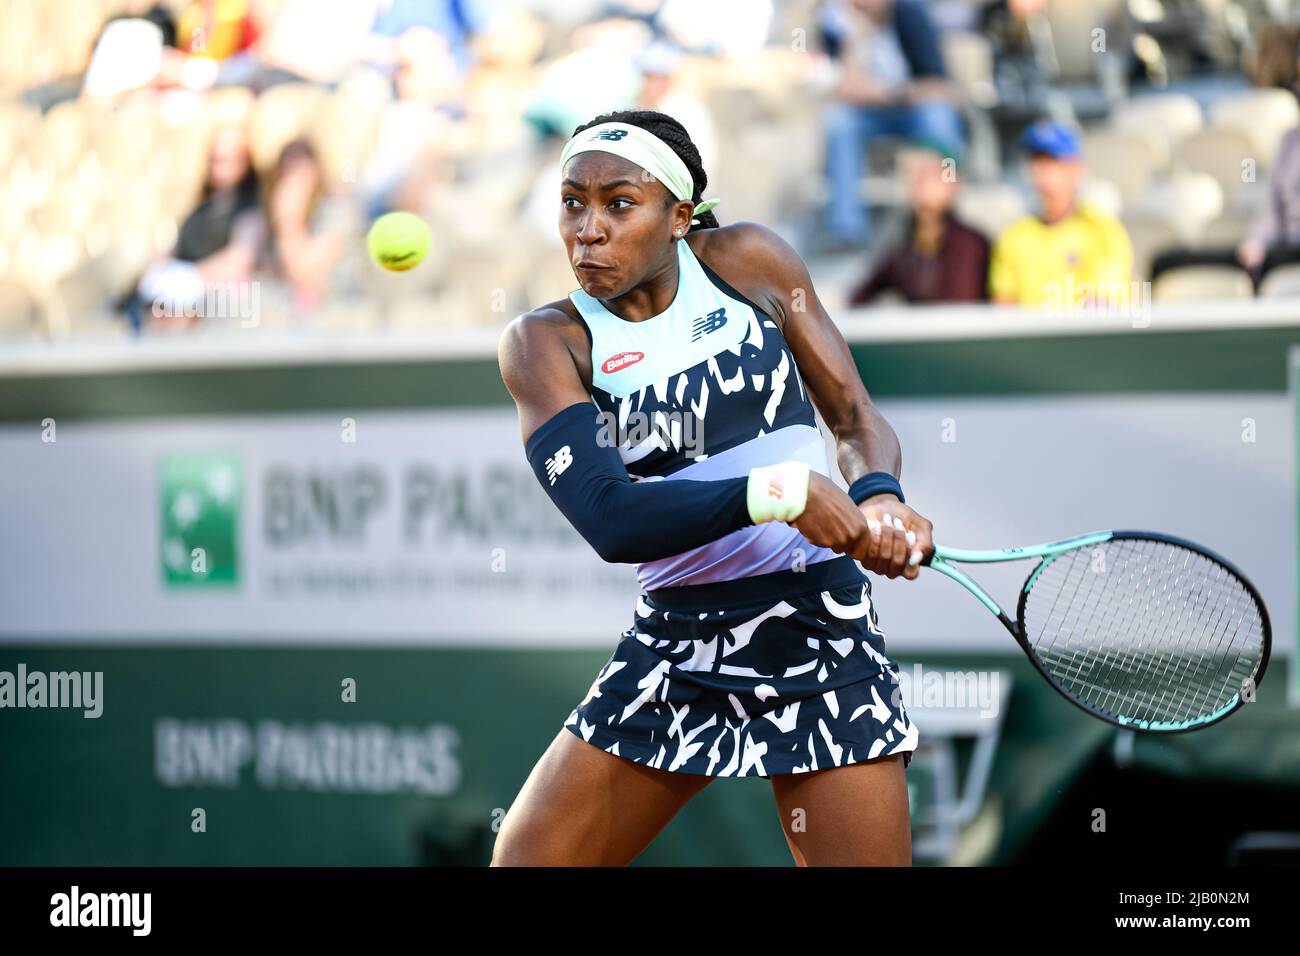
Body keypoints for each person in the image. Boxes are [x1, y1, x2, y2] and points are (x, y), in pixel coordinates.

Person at [493, 109, 934, 867]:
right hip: (677, 640)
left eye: (619, 203)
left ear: (679, 216)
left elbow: (855, 417)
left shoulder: (750, 262)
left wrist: (881, 497)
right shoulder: (547, 342)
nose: (587, 229)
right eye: (573, 202)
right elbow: (611, 519)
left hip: (815, 627)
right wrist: (779, 492)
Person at [821, 0, 965, 250]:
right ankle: (846, 227)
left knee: (939, 117)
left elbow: (941, 88)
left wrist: (891, 93)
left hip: (916, 110)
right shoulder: (848, 25)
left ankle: (945, 215)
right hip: (876, 115)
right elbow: (846, 88)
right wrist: (854, 37)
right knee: (840, 122)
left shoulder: (910, 14)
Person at [989, 120, 1132, 308]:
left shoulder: (1103, 232)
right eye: (1036, 160)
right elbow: (1003, 306)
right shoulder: (1013, 237)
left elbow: (1103, 308)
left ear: (1075, 169)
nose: (1041, 171)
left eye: (1051, 161)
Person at [848, 138, 989, 304]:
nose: (919, 181)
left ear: (954, 182)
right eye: (913, 173)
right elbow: (861, 294)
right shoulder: (903, 243)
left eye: (930, 173)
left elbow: (961, 305)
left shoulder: (970, 244)